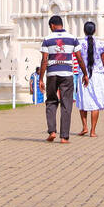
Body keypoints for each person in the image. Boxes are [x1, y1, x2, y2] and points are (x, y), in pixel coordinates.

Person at [38, 15, 85, 143]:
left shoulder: (47, 39)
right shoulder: (72, 38)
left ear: (52, 25)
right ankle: (64, 137)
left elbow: (44, 60)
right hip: (67, 74)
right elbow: (79, 58)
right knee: (66, 104)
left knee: (51, 102)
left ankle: (52, 131)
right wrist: (85, 74)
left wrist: (40, 79)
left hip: (52, 74)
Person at [75, 21, 104, 137]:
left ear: (84, 31)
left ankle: (85, 127)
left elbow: (79, 59)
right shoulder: (101, 44)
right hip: (97, 75)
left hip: (84, 74)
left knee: (83, 101)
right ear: (94, 30)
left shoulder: (79, 44)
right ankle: (93, 131)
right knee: (95, 103)